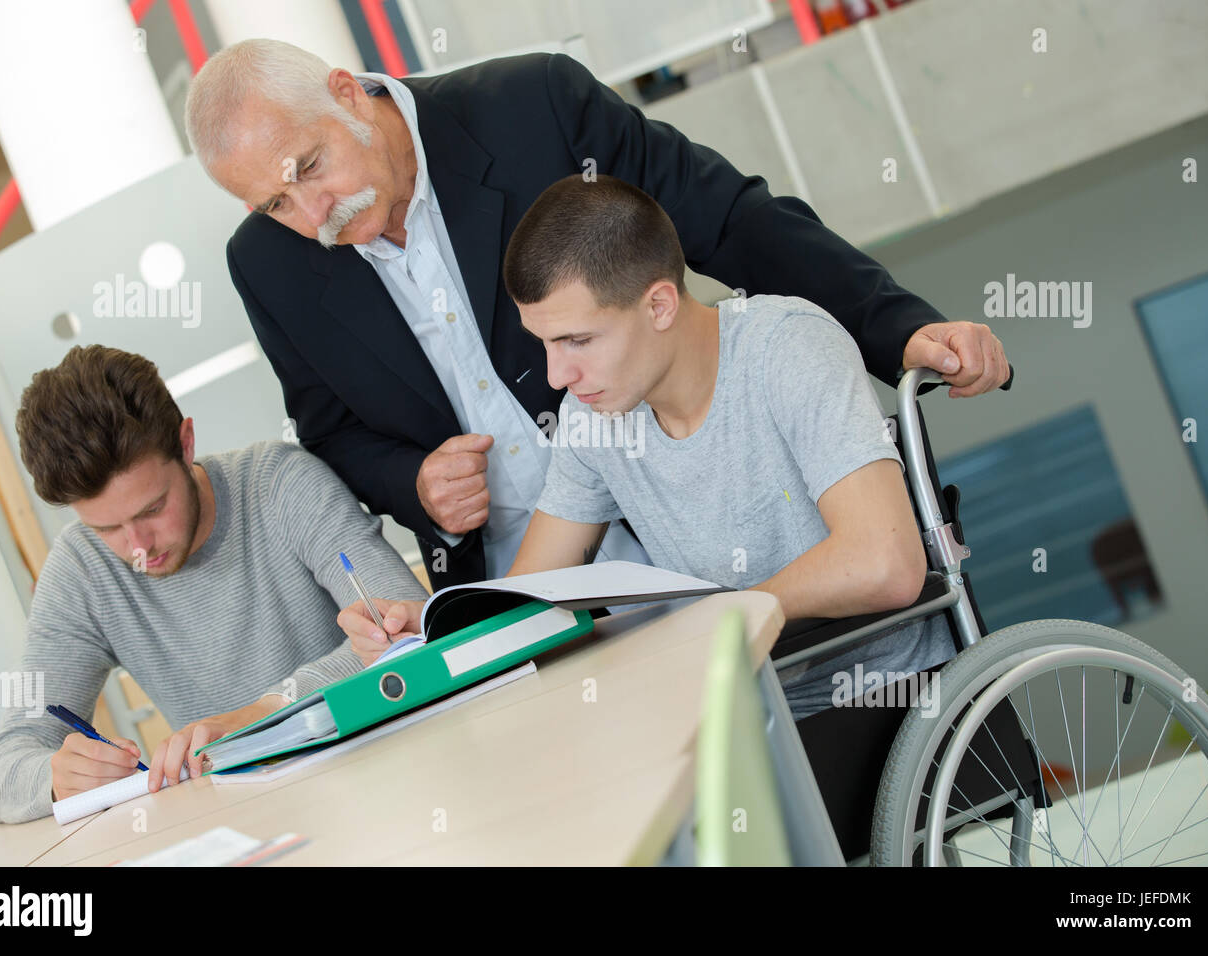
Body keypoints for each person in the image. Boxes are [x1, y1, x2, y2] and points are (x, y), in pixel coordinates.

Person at [183, 39, 1010, 600]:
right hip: (524, 572)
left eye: (310, 168)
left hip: (694, 523)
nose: (313, 212)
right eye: (275, 202)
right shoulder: (266, 262)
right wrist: (413, 482)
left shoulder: (529, 105)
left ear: (346, 94)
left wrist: (894, 328)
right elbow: (329, 431)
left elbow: (725, 217)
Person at [342, 176, 969, 719]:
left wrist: (723, 618)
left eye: (578, 341)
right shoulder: (591, 419)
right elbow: (524, 606)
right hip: (737, 715)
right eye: (545, 345)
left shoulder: (787, 348)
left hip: (882, 701)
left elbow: (886, 565)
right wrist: (422, 638)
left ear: (660, 304)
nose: (557, 375)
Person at [0, 346, 425, 823]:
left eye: (151, 509)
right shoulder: (81, 570)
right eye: (106, 528)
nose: (138, 547)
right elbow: (3, 767)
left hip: (385, 781)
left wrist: (265, 712)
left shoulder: (279, 484)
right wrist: (56, 774)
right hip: (248, 824)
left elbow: (412, 626)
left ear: (186, 443)